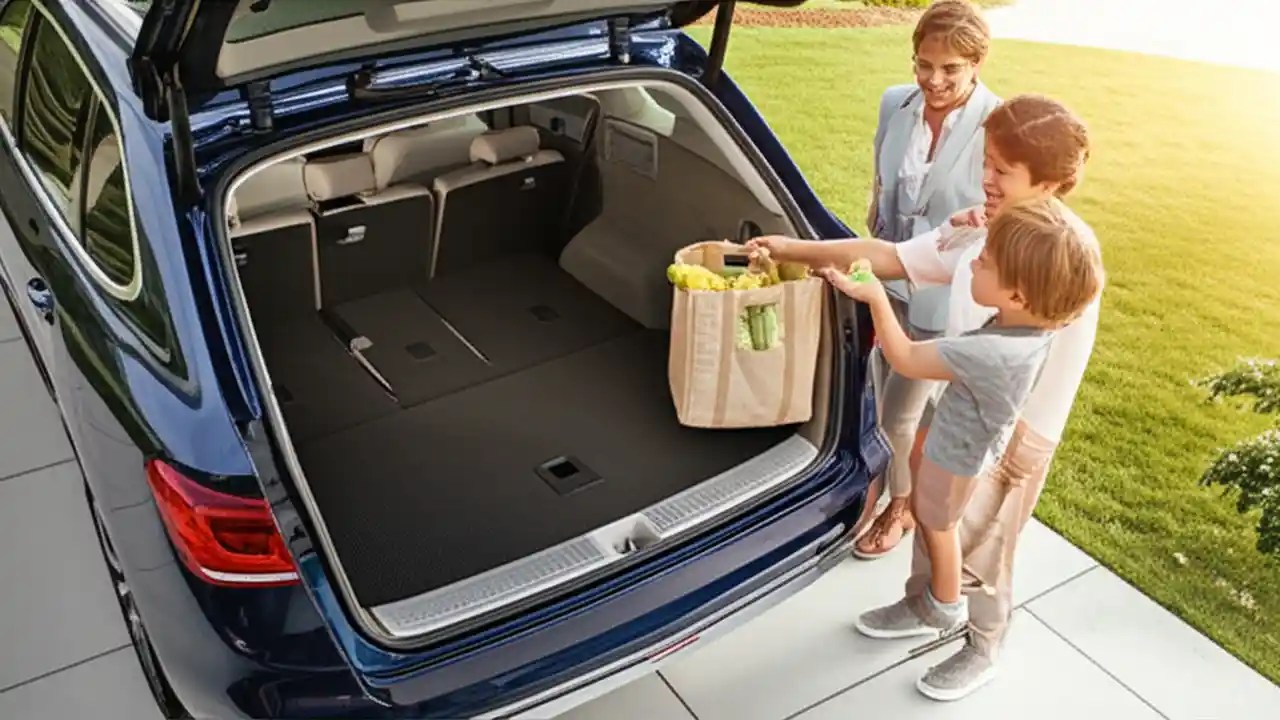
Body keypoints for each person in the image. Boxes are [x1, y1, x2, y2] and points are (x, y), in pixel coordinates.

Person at [748, 93, 1097, 701]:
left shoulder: (1059, 256)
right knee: (938, 522)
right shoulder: (985, 226)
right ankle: (923, 605)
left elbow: (1041, 364)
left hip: (1013, 428)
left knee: (983, 543)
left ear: (1047, 182)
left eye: (1001, 170)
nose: (984, 177)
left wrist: (1021, 451)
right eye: (985, 161)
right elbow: (893, 258)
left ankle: (982, 645)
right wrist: (793, 249)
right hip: (959, 388)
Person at [859, 0, 1002, 560]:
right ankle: (898, 481)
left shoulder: (999, 123)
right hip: (887, 281)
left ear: (977, 64)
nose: (933, 80)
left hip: (947, 298)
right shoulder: (895, 102)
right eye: (924, 64)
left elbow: (1005, 212)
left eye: (951, 69)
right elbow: (882, 182)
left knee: (897, 415)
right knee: (885, 399)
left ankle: (901, 507)